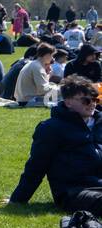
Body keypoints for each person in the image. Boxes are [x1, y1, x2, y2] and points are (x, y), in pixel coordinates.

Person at [9, 75, 102, 209]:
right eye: (86, 100)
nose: (93, 103)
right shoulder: (51, 128)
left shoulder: (99, 122)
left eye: (95, 99)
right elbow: (36, 165)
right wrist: (17, 199)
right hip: (74, 191)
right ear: (68, 102)